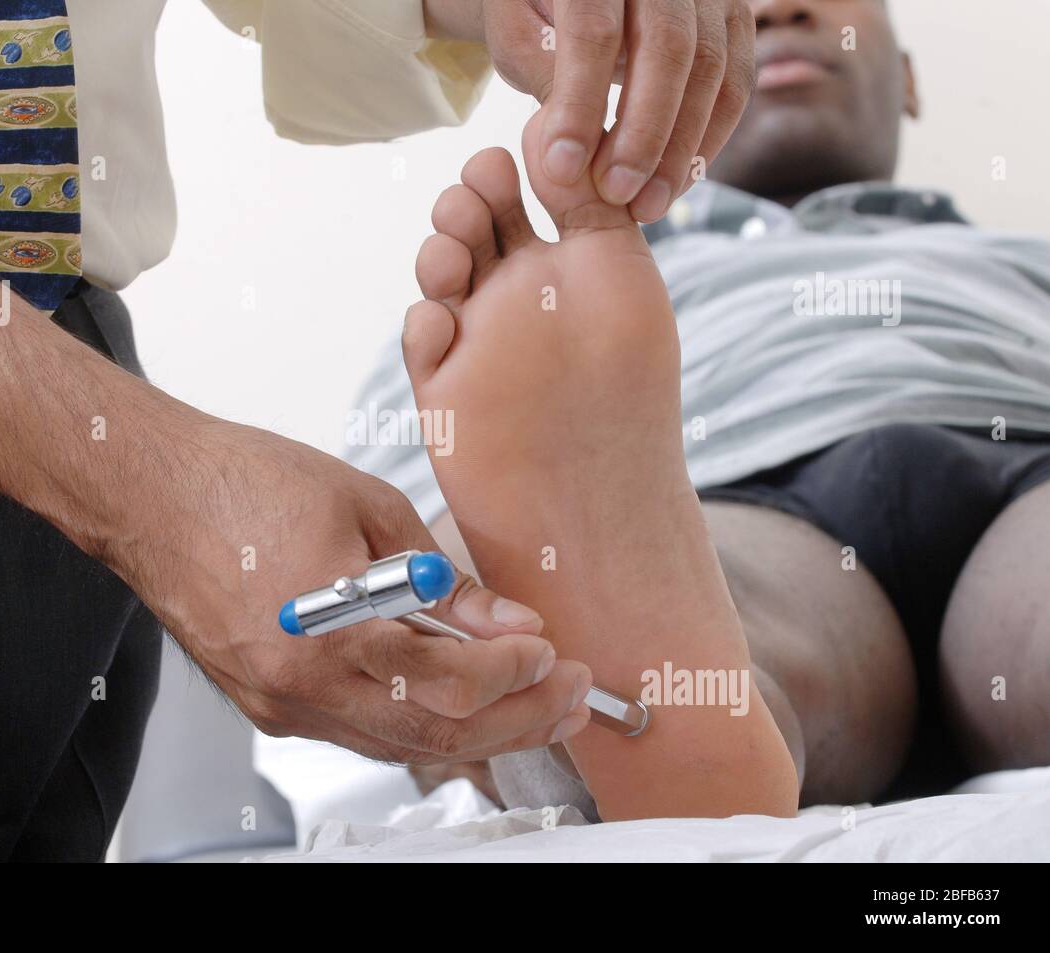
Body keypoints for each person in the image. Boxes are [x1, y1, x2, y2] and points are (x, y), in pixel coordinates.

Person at [0, 0, 756, 859]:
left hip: (54, 403)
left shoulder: (917, 243)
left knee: (871, 527)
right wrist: (154, 488)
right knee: (771, 582)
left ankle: (623, 717)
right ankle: (691, 736)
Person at [351, 0, 1050, 820]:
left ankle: (616, 704)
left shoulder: (1026, 258)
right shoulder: (538, 303)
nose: (778, 9)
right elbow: (390, 544)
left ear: (906, 82)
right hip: (715, 505)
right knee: (724, 629)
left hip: (1025, 460)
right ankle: (670, 708)